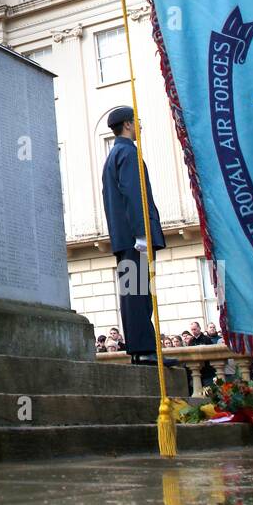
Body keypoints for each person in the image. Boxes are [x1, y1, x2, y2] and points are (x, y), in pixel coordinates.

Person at [101, 105, 172, 367]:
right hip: (134, 237)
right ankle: (144, 350)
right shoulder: (128, 152)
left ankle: (140, 350)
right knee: (139, 295)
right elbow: (134, 195)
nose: (139, 126)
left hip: (125, 238)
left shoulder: (113, 155)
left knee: (134, 294)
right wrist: (142, 233)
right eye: (137, 122)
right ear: (128, 125)